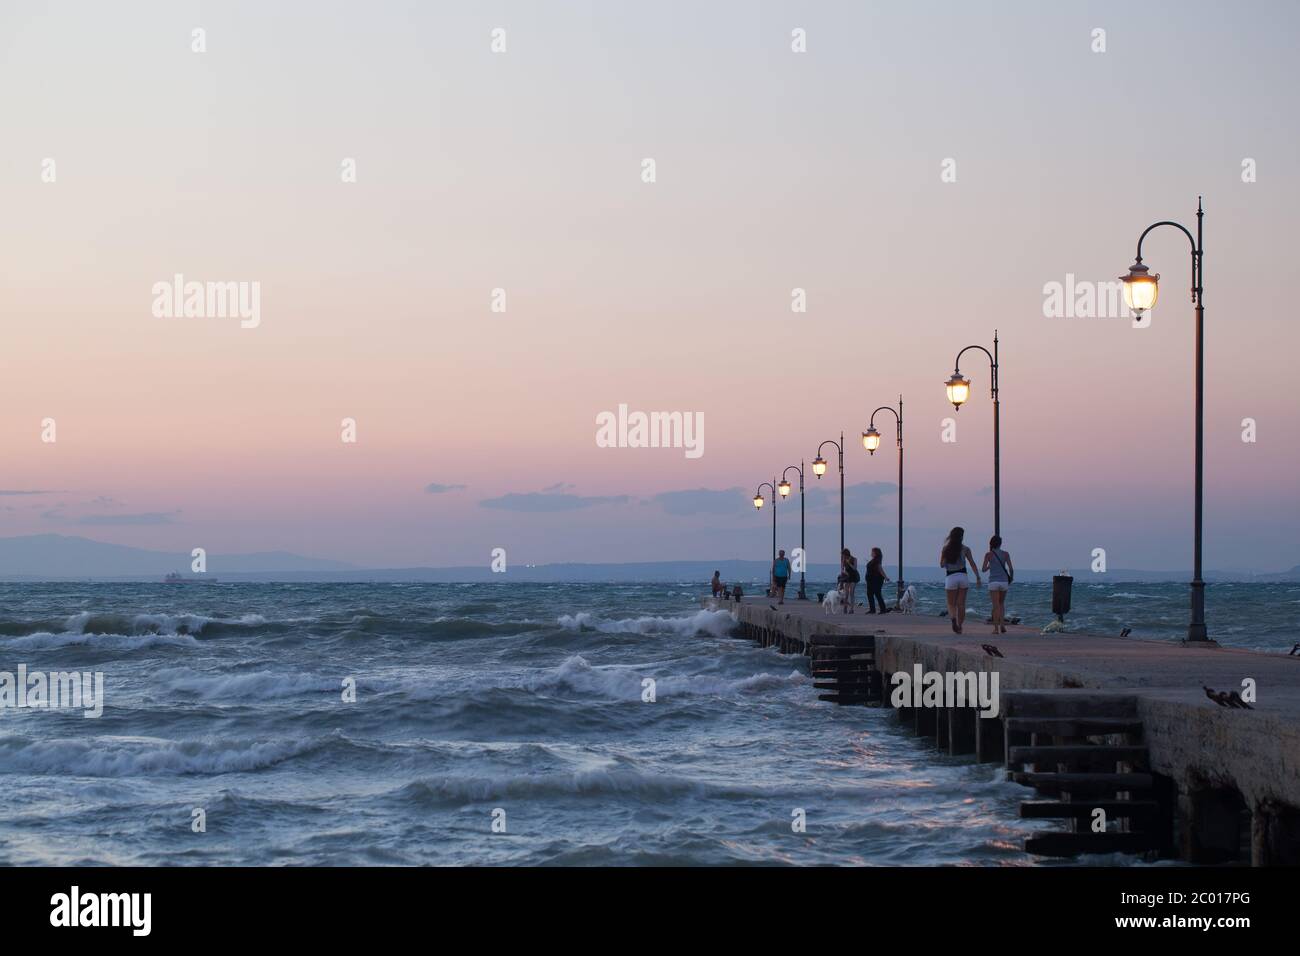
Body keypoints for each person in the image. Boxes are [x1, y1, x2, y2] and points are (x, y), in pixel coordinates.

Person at [939, 527, 981, 633]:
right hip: (963, 576)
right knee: (961, 604)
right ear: (961, 537)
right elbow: (972, 563)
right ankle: (960, 626)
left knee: (951, 604)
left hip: (951, 577)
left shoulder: (946, 549)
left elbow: (942, 565)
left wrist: (948, 559)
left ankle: (953, 619)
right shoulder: (966, 549)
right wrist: (978, 577)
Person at [981, 535, 1014, 634]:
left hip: (993, 582)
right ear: (1000, 544)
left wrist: (990, 566)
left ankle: (996, 629)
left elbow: (983, 569)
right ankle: (1002, 625)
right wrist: (1011, 579)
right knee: (1001, 604)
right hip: (1004, 581)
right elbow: (1011, 569)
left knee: (995, 606)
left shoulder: (988, 555)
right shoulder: (1006, 554)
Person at [866, 547, 890, 614]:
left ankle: (882, 609)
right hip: (870, 580)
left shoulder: (877, 561)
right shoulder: (874, 560)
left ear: (876, 553)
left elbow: (880, 569)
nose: (871, 553)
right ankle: (872, 609)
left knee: (877, 594)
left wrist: (885, 577)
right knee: (870, 594)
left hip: (876, 580)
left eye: (872, 552)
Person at [839, 548, 860, 613]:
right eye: (842, 555)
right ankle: (845, 608)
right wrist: (844, 572)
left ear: (847, 554)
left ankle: (851, 609)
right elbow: (842, 569)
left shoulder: (854, 559)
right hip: (847, 577)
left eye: (844, 555)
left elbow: (855, 568)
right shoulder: (843, 560)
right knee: (846, 593)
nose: (843, 556)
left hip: (853, 576)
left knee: (851, 593)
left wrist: (849, 563)